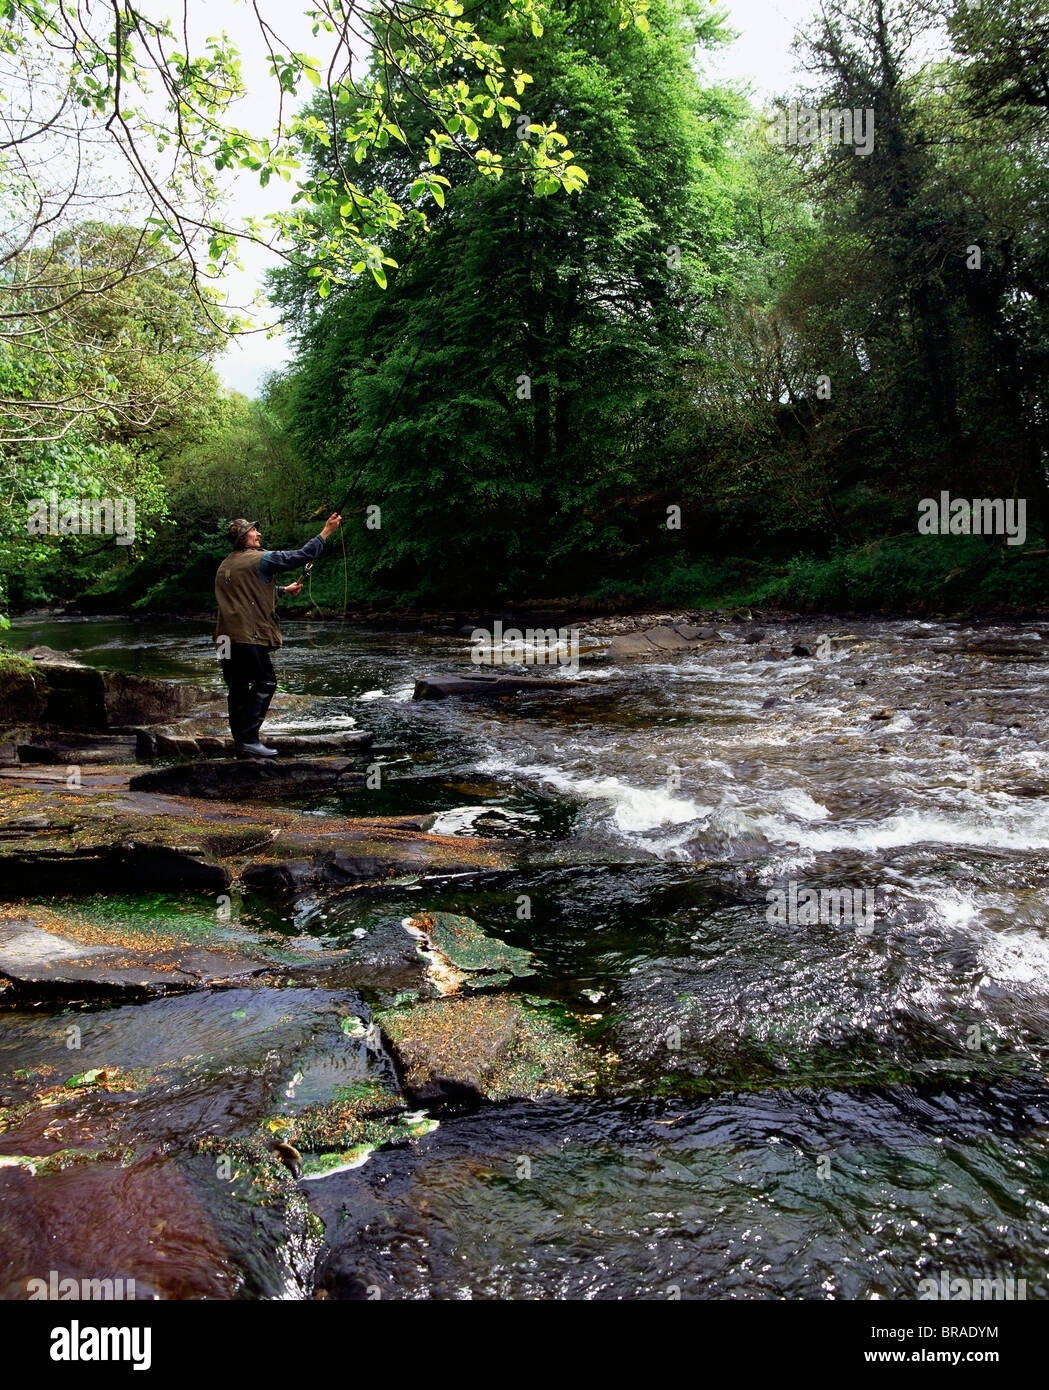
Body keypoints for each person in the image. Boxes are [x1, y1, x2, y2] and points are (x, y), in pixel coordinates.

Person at [214, 512, 342, 757]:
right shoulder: (260, 559)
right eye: (253, 531)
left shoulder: (225, 565)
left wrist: (283, 590)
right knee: (266, 681)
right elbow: (301, 556)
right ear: (243, 538)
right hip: (246, 635)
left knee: (237, 687)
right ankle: (249, 740)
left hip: (224, 638)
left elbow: (245, 593)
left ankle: (241, 741)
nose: (258, 533)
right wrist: (327, 531)